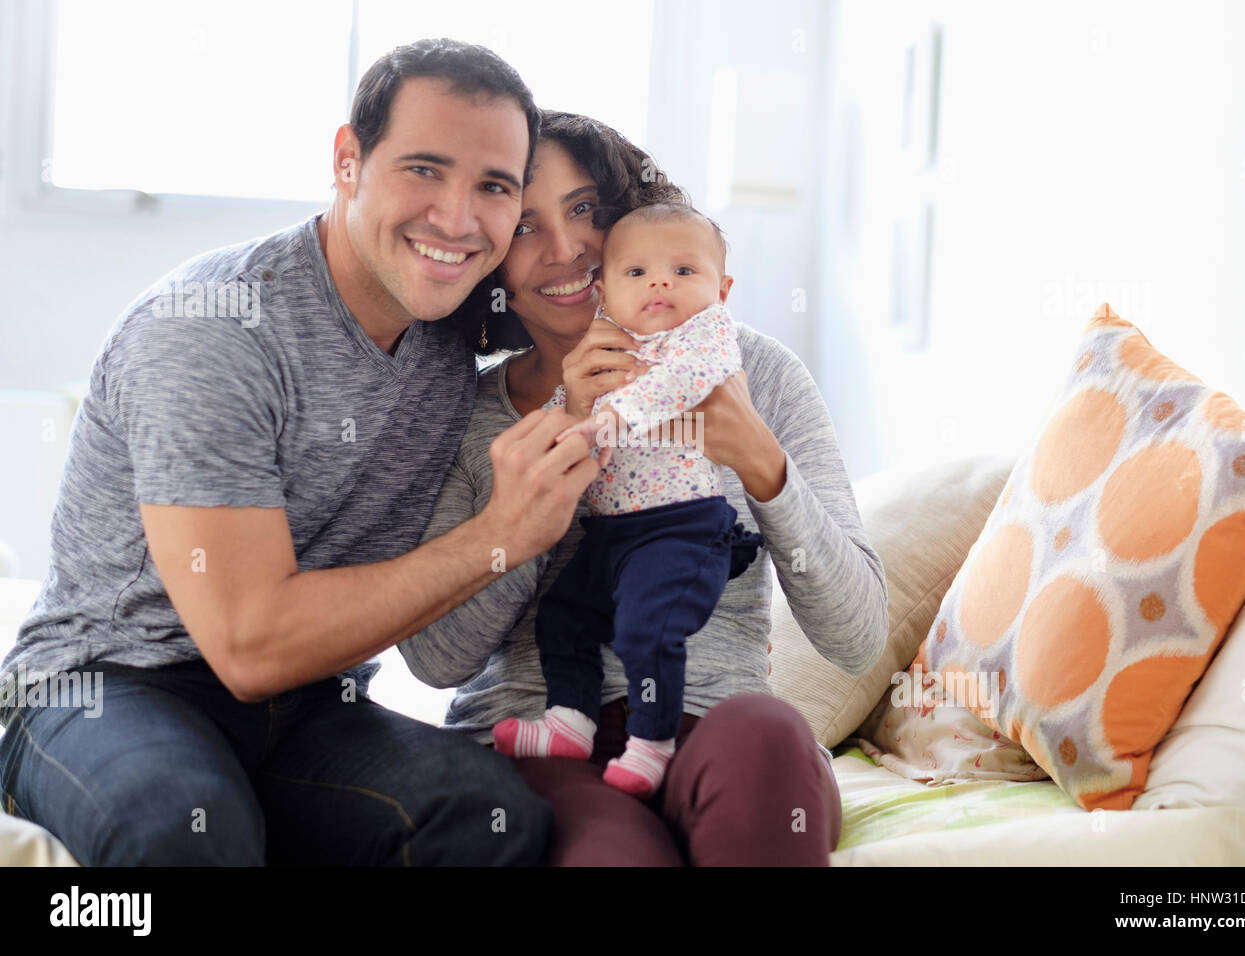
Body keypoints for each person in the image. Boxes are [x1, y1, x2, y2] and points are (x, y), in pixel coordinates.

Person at [0, 39, 593, 866]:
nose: (457, 221)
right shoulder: (210, 331)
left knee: (491, 818)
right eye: (423, 169)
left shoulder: (468, 315)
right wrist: (506, 533)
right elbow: (249, 644)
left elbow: (608, 289)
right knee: (186, 834)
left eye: (493, 187)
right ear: (348, 161)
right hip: (112, 681)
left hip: (311, 701)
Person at [400, 111, 890, 865]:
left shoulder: (760, 377)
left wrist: (763, 464)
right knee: (610, 853)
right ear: (490, 255)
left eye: (585, 210)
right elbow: (436, 662)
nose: (563, 250)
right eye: (525, 226)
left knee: (767, 736)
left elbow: (856, 639)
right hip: (547, 745)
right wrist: (550, 470)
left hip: (721, 731)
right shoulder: (469, 414)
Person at [492, 203, 767, 799]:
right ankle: (571, 722)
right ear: (603, 293)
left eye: (684, 271)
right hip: (611, 533)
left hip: (682, 529)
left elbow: (688, 380)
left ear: (721, 290)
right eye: (637, 273)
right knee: (563, 615)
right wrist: (570, 412)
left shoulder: (706, 336)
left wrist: (609, 419)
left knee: (648, 629)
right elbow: (562, 430)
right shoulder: (605, 349)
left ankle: (651, 743)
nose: (660, 283)